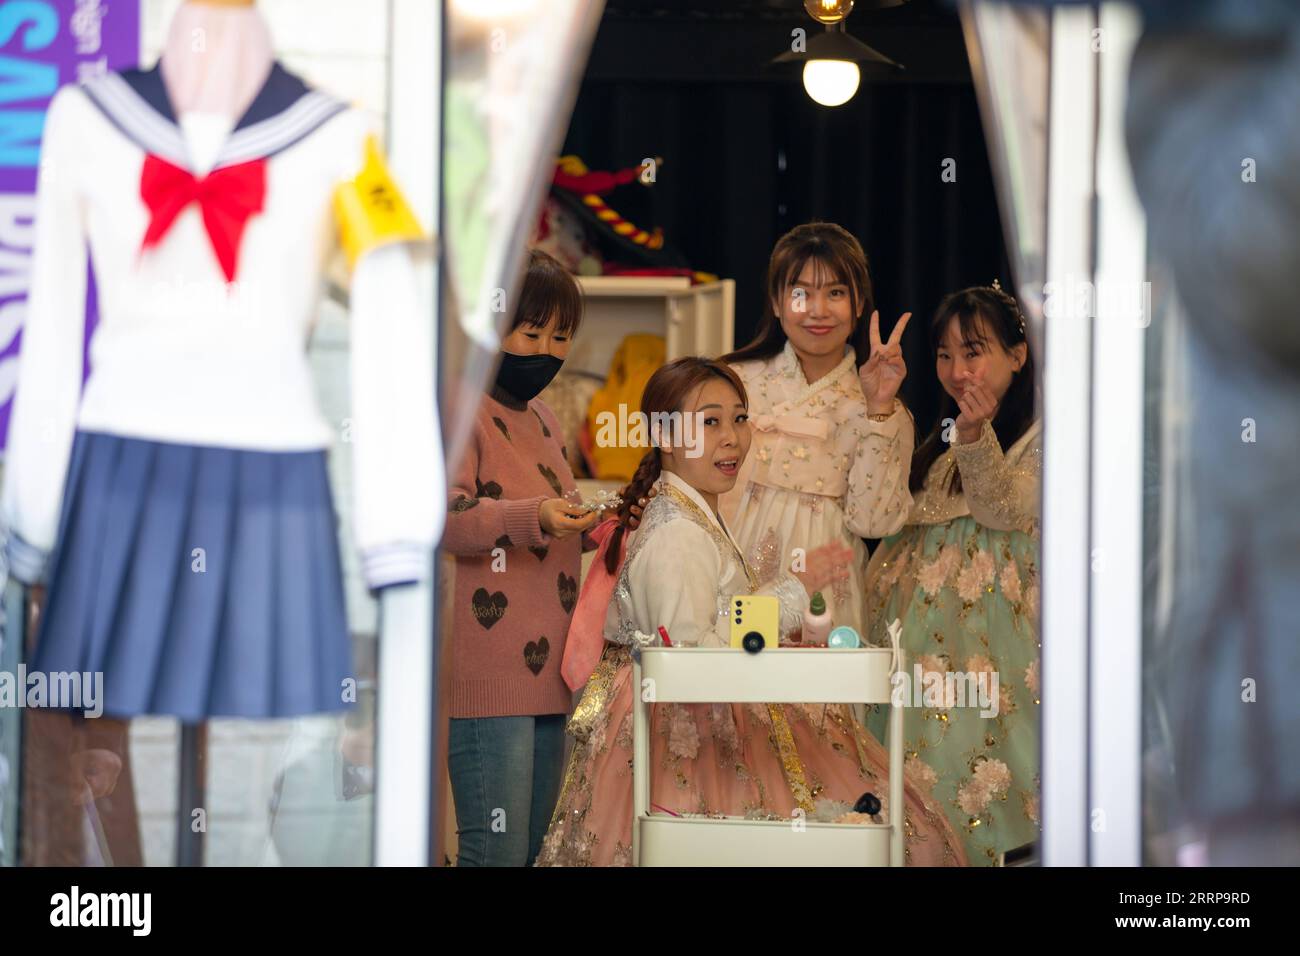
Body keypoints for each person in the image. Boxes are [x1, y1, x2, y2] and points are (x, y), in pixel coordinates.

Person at [537, 357, 966, 866]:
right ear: (667, 437)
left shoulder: (693, 514)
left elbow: (710, 630)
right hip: (684, 736)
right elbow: (691, 663)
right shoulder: (678, 534)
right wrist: (790, 594)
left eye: (739, 419)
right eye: (710, 421)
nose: (732, 438)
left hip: (702, 718)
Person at [864, 284, 1041, 865]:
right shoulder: (939, 445)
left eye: (974, 351)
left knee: (989, 780)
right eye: (945, 355)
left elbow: (1002, 510)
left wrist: (974, 437)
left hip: (996, 649)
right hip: (917, 650)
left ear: (1018, 354)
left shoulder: (1044, 436)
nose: (959, 369)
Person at [441, 249, 598, 866]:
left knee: (532, 852)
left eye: (561, 336)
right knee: (495, 853)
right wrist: (532, 518)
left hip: (549, 674)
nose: (547, 351)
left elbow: (559, 516)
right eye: (531, 332)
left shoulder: (542, 418)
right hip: (488, 677)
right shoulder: (458, 407)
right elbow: (444, 518)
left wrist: (598, 526)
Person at [721, 222, 914, 640]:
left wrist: (878, 410)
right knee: (735, 689)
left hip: (828, 580)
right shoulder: (734, 382)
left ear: (859, 302)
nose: (818, 309)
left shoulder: (882, 407)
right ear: (776, 302)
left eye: (836, 293)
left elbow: (874, 522)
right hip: (733, 564)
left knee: (811, 699)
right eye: (800, 293)